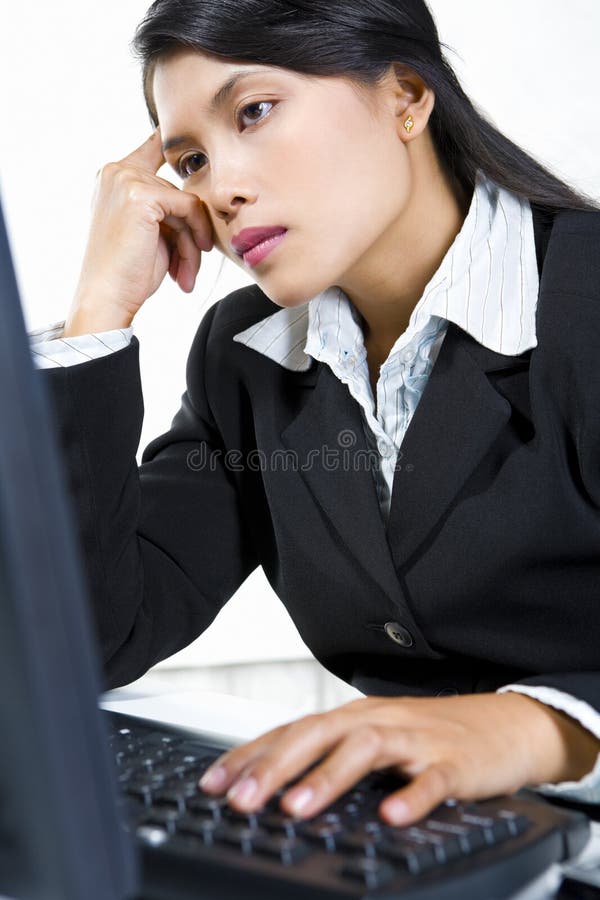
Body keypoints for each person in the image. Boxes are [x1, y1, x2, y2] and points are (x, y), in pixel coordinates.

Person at [30, 0, 600, 828]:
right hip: (416, 854)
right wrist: (97, 314)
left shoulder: (584, 300)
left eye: (254, 112)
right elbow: (88, 637)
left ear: (406, 94)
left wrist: (541, 728)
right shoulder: (245, 359)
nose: (222, 189)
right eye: (188, 159)